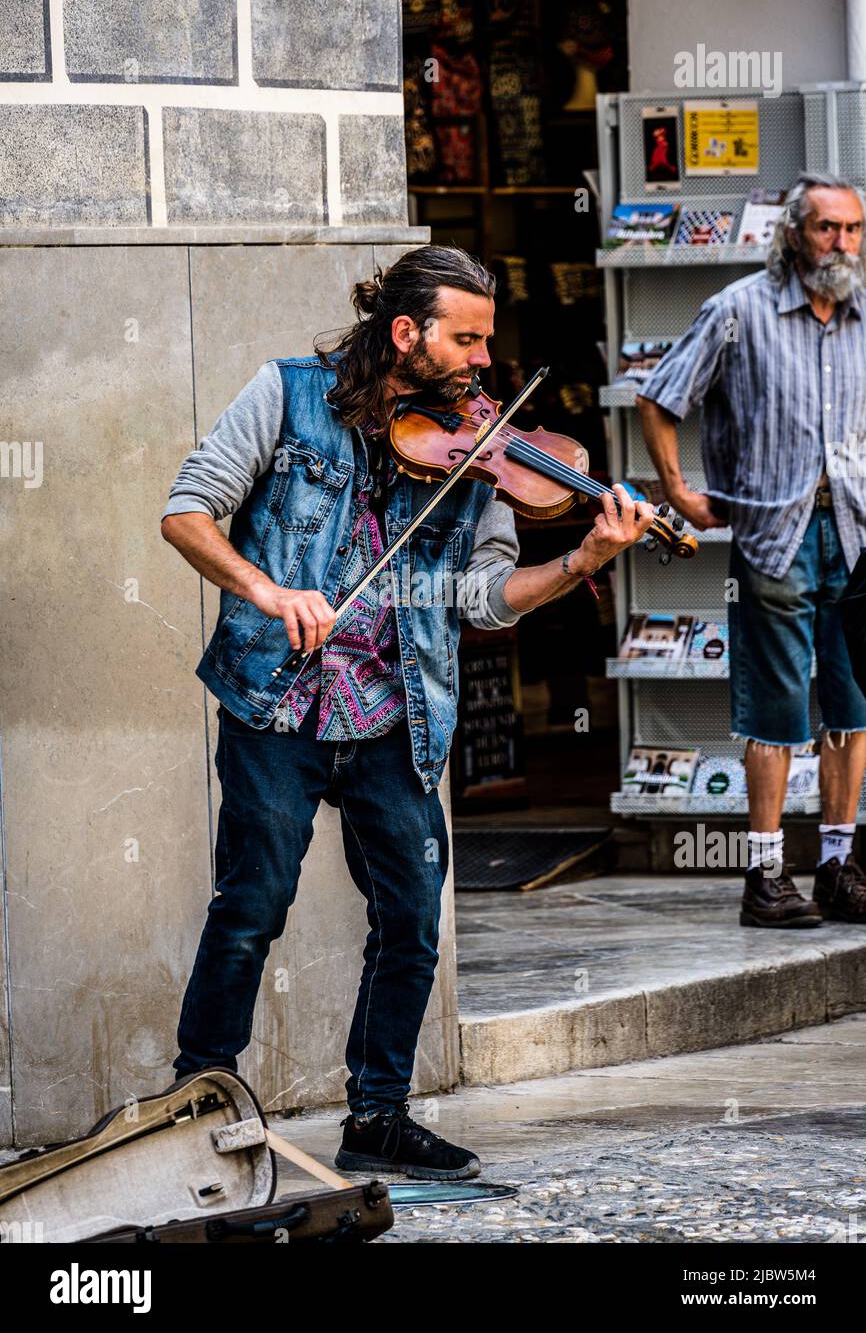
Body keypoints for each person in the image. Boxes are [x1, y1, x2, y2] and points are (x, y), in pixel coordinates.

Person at [160, 244, 654, 1179]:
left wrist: (585, 562)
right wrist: (269, 594)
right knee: (251, 905)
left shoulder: (483, 453)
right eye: (465, 340)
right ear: (404, 332)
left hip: (397, 717)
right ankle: (198, 1099)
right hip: (278, 704)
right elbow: (188, 510)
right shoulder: (287, 394)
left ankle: (377, 1116)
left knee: (413, 921)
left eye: (487, 342)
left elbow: (482, 598)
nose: (482, 364)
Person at [637, 172, 866, 929]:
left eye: (855, 229)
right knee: (775, 708)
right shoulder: (738, 309)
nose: (844, 243)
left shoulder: (865, 314)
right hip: (776, 531)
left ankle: (838, 866)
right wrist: (677, 491)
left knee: (852, 704)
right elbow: (660, 397)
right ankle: (765, 876)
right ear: (795, 234)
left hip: (858, 533)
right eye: (829, 228)